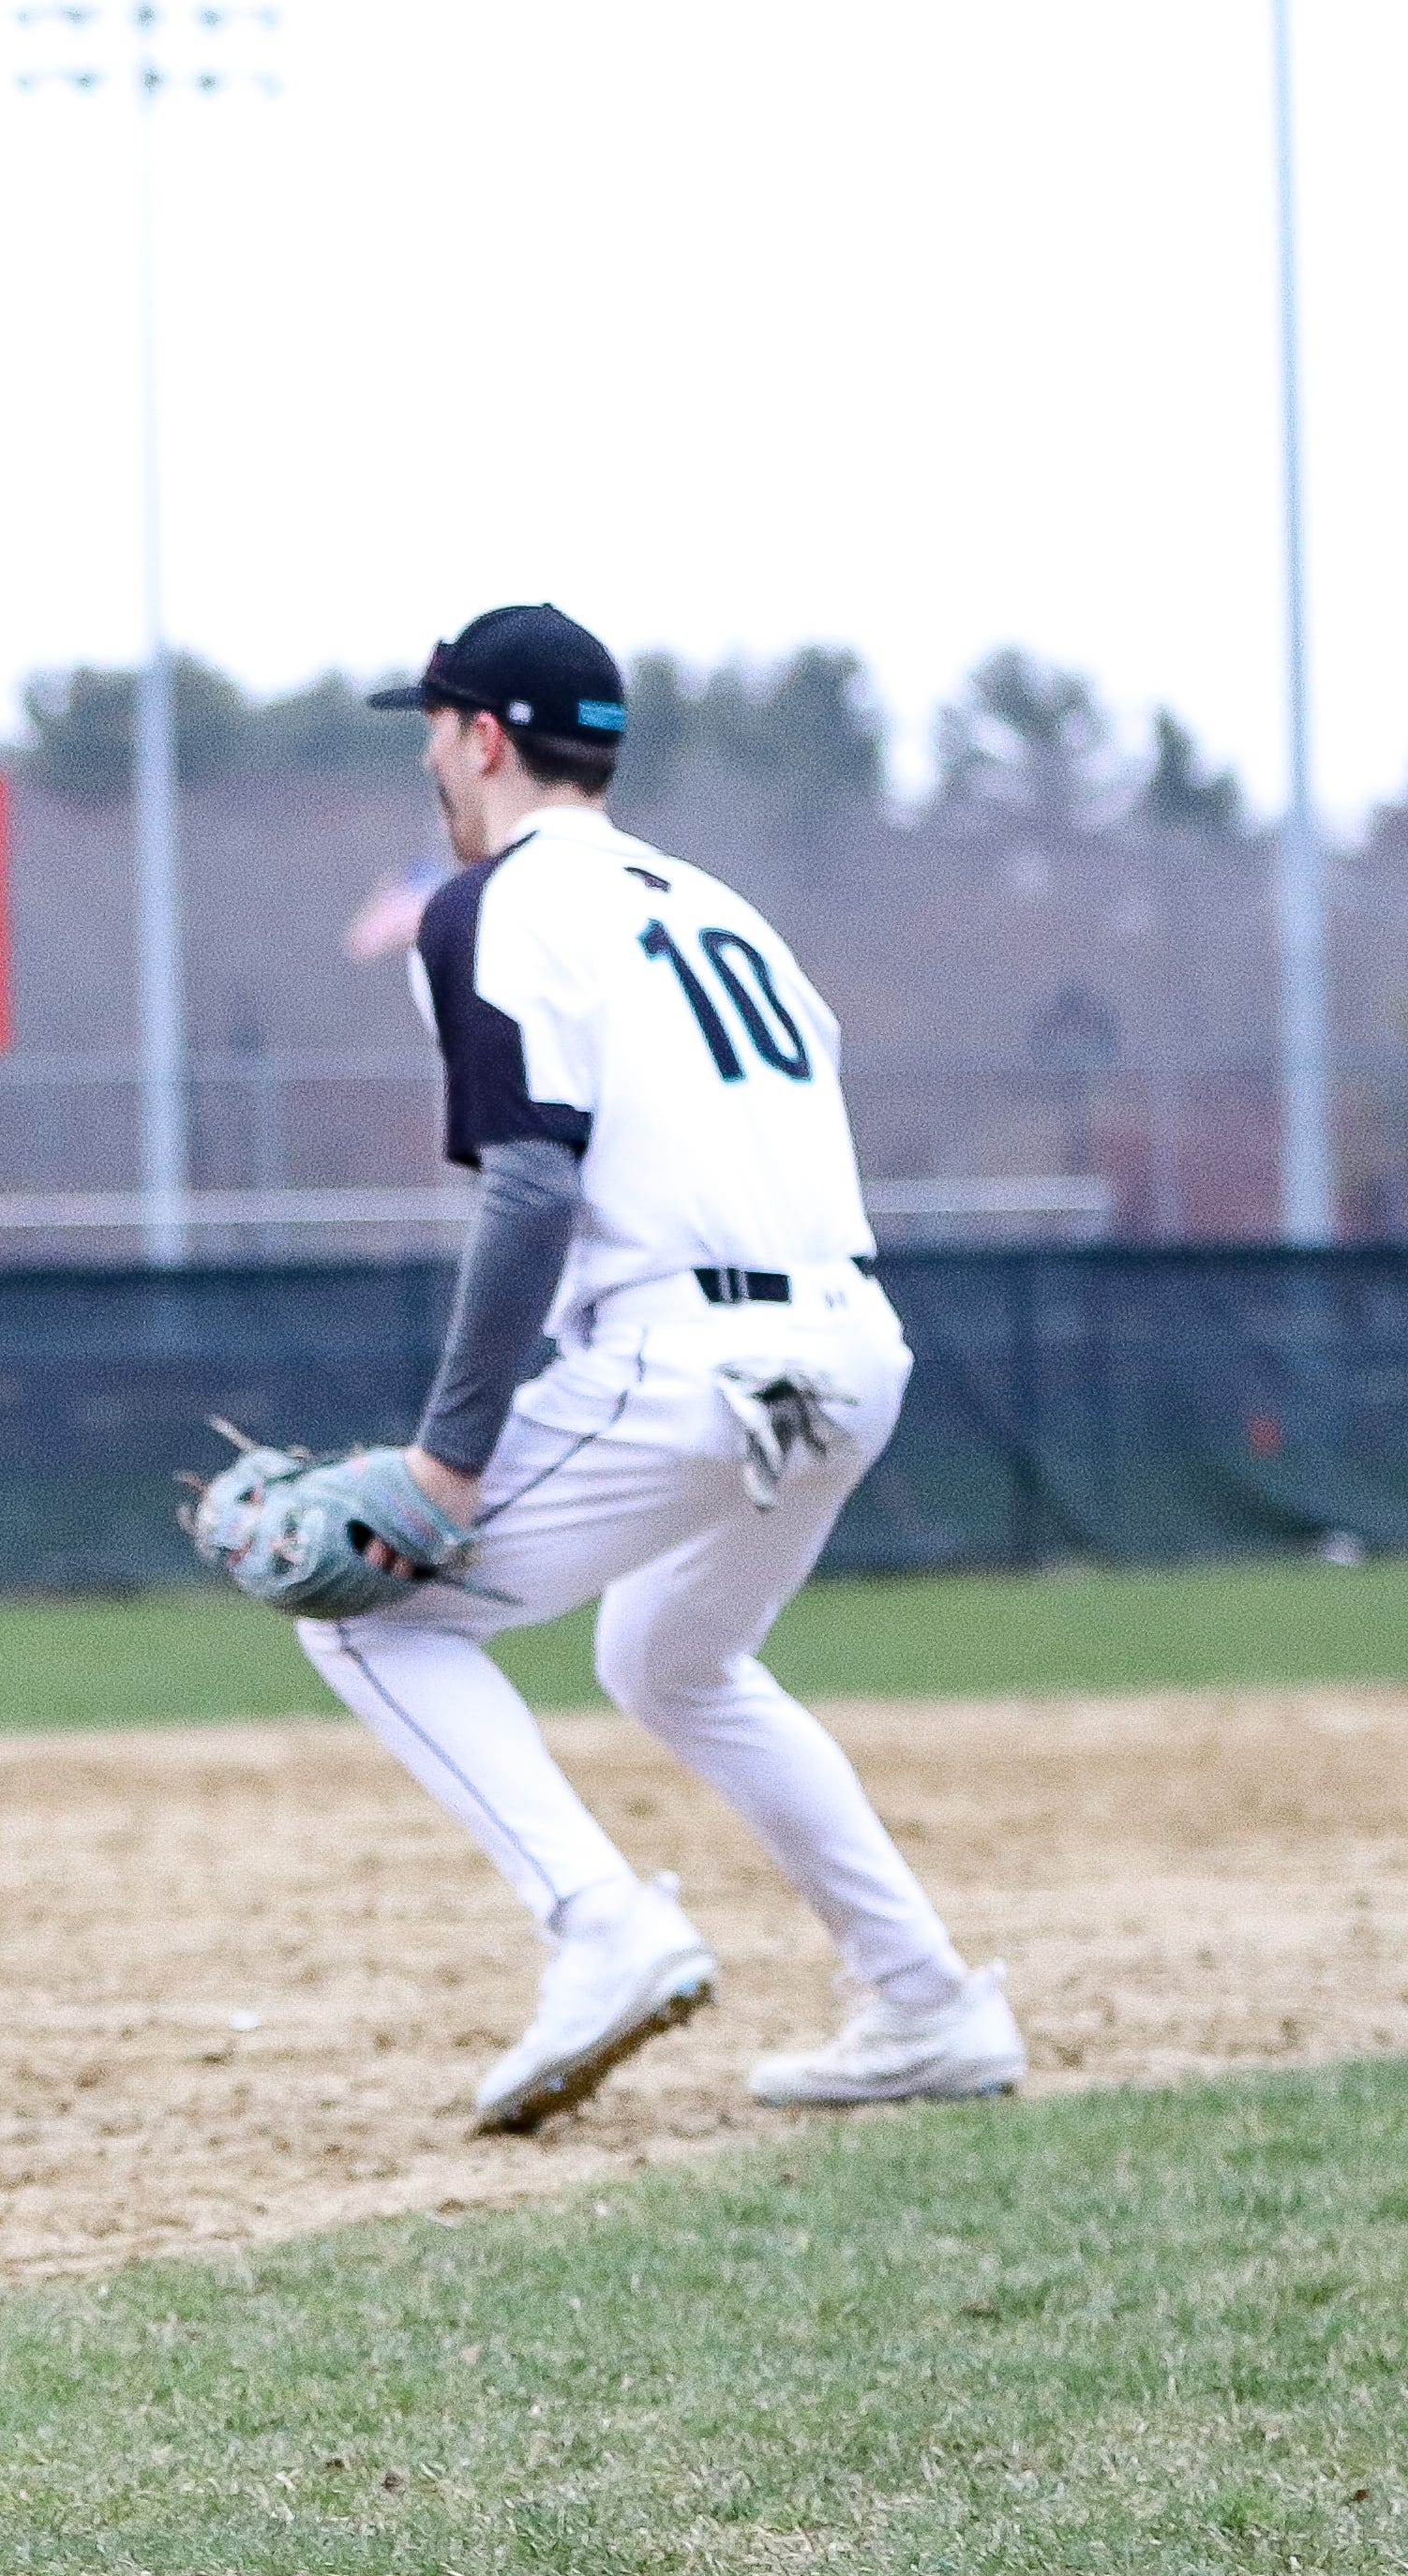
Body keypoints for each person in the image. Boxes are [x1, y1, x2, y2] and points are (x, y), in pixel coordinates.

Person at [302, 605, 1025, 2130]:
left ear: (480, 738)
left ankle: (600, 1925)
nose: (426, 756)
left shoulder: (485, 904)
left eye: (430, 727)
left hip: (689, 1354)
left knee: (367, 1610)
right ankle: (922, 2003)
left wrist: (445, 1458)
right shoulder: (719, 907)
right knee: (665, 1656)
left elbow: (527, 1186)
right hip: (848, 1346)